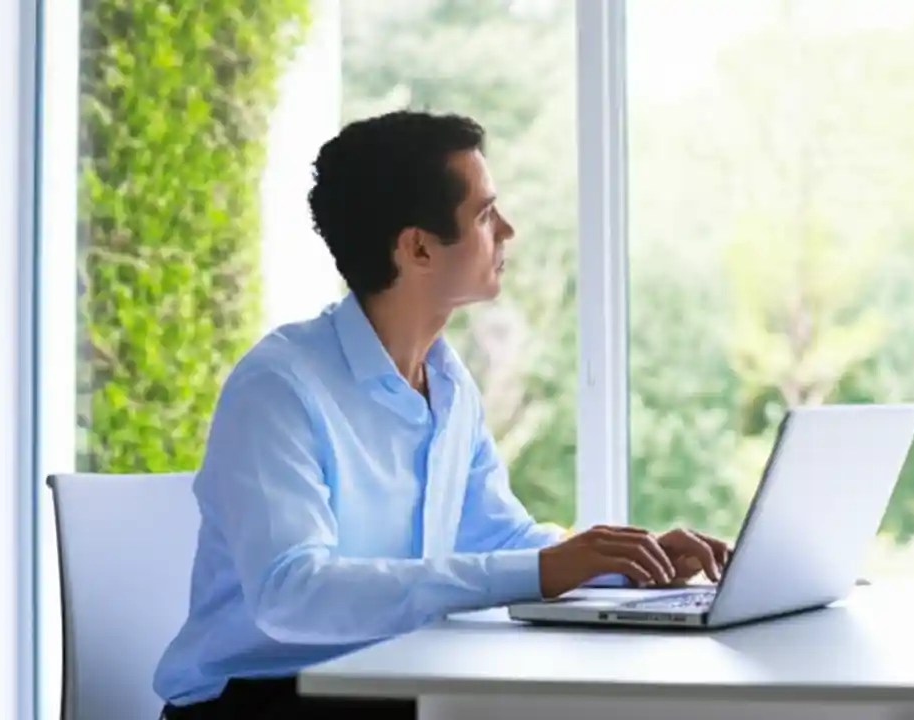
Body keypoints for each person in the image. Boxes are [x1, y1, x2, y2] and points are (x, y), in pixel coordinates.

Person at [154, 110, 731, 720]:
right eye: (485, 214)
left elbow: (501, 539)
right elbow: (291, 595)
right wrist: (540, 569)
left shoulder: (449, 385)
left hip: (392, 679)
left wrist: (630, 564)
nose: (507, 229)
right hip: (260, 697)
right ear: (418, 247)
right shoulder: (278, 386)